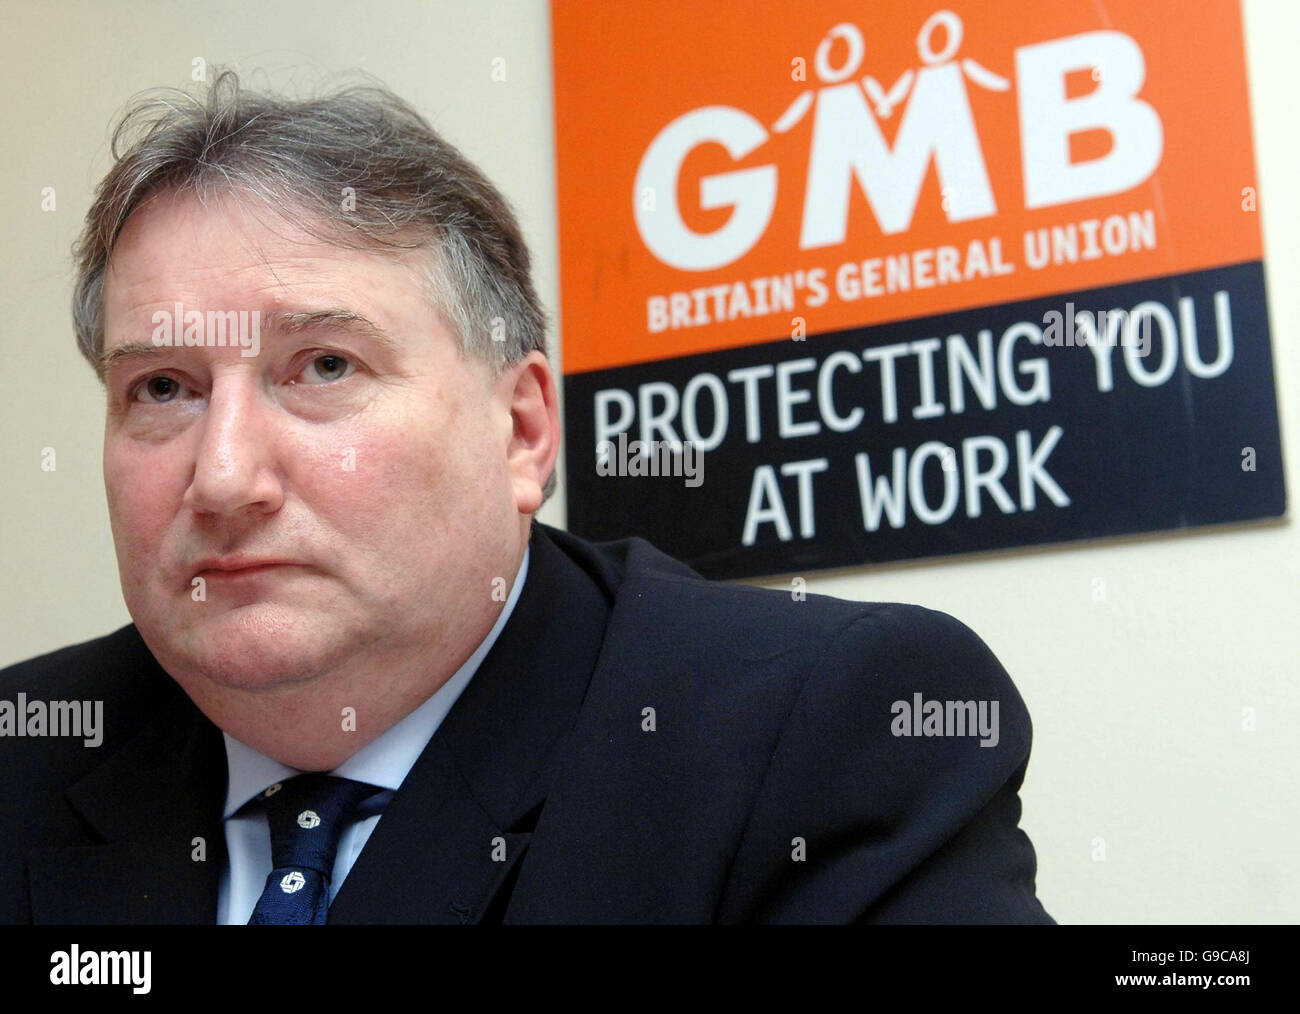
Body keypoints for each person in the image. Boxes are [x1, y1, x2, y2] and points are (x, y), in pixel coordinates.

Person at [0, 71, 1053, 924]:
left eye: (322, 367)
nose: (223, 477)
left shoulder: (821, 735)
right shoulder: (26, 747)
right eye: (164, 389)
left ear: (523, 430)